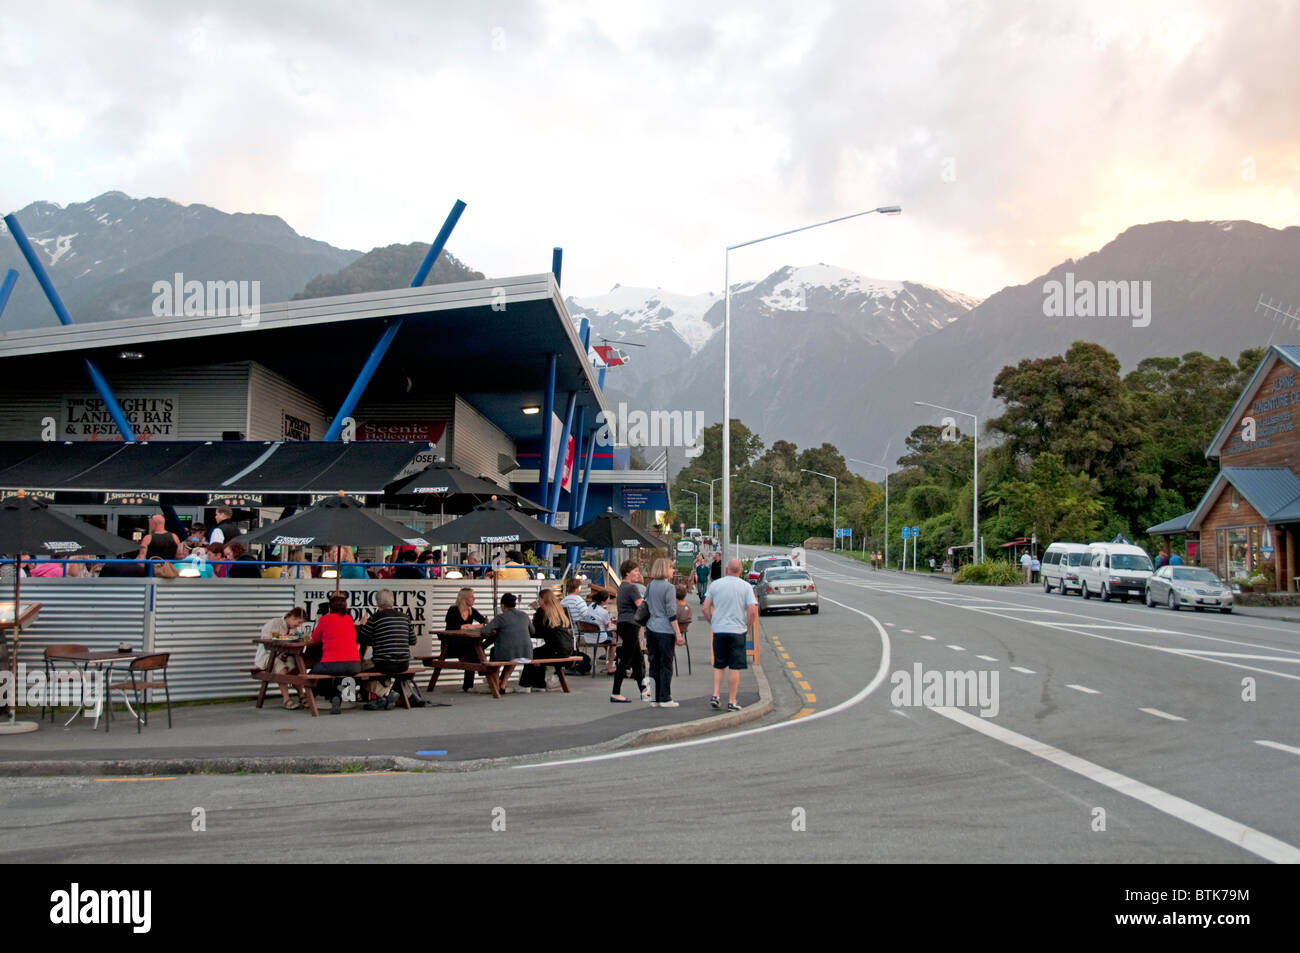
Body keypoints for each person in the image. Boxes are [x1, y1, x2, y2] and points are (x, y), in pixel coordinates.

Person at [702, 558, 758, 712]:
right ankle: (732, 701)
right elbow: (752, 610)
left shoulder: (715, 585)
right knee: (735, 666)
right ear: (740, 571)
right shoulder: (746, 587)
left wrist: (712, 622)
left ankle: (715, 695)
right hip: (737, 630)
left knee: (719, 664)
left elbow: (705, 607)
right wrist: (748, 625)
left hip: (719, 629)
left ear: (726, 570)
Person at [357, 589, 416, 710]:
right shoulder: (405, 617)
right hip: (404, 663)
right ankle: (387, 694)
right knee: (374, 670)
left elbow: (363, 639)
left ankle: (384, 694)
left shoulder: (375, 618)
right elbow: (413, 641)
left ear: (378, 603)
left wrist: (362, 626)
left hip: (383, 663)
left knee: (358, 669)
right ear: (393, 602)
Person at [309, 594, 362, 714]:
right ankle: (337, 696)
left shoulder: (325, 619)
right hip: (354, 665)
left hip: (331, 664)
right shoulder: (349, 619)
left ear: (330, 608)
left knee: (313, 671)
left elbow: (314, 638)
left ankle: (311, 698)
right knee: (340, 672)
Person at [643, 557, 684, 708]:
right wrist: (678, 634)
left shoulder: (650, 585)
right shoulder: (669, 588)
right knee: (666, 664)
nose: (673, 571)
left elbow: (645, 604)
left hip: (651, 627)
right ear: (666, 569)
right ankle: (665, 697)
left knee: (654, 663)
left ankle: (655, 697)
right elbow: (671, 613)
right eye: (672, 568)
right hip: (665, 629)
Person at [254, 607, 309, 709]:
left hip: (284, 655)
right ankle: (286, 698)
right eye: (298, 622)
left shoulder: (293, 628)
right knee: (282, 669)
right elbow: (267, 639)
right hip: (268, 656)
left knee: (295, 669)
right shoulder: (274, 623)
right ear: (292, 617)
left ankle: (301, 694)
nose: (299, 625)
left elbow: (299, 638)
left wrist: (302, 637)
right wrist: (287, 638)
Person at [611, 559, 649, 702]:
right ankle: (615, 692)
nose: (638, 573)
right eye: (636, 571)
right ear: (628, 572)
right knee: (626, 659)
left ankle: (644, 690)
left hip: (623, 623)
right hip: (631, 624)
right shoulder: (632, 588)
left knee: (637, 659)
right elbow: (641, 606)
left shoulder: (621, 587)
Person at [481, 592, 534, 692]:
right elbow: (533, 631)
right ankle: (503, 684)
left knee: (495, 652)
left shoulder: (500, 617)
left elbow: (484, 631)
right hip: (526, 653)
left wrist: (495, 630)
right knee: (514, 654)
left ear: (502, 605)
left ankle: (496, 684)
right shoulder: (524, 615)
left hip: (508, 653)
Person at [523, 589, 573, 690]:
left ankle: (529, 684)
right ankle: (538, 683)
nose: (538, 601)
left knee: (533, 654)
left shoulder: (542, 612)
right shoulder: (559, 610)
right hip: (567, 648)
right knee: (538, 652)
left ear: (543, 599)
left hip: (556, 649)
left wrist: (536, 612)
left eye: (539, 599)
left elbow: (535, 631)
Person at [445, 587, 488, 692]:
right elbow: (453, 626)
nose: (474, 599)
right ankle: (485, 672)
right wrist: (466, 626)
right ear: (464, 598)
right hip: (452, 644)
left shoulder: (471, 611)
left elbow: (485, 622)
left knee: (474, 651)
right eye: (472, 597)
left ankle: (469, 685)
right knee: (475, 651)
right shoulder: (453, 610)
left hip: (466, 644)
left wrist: (471, 626)